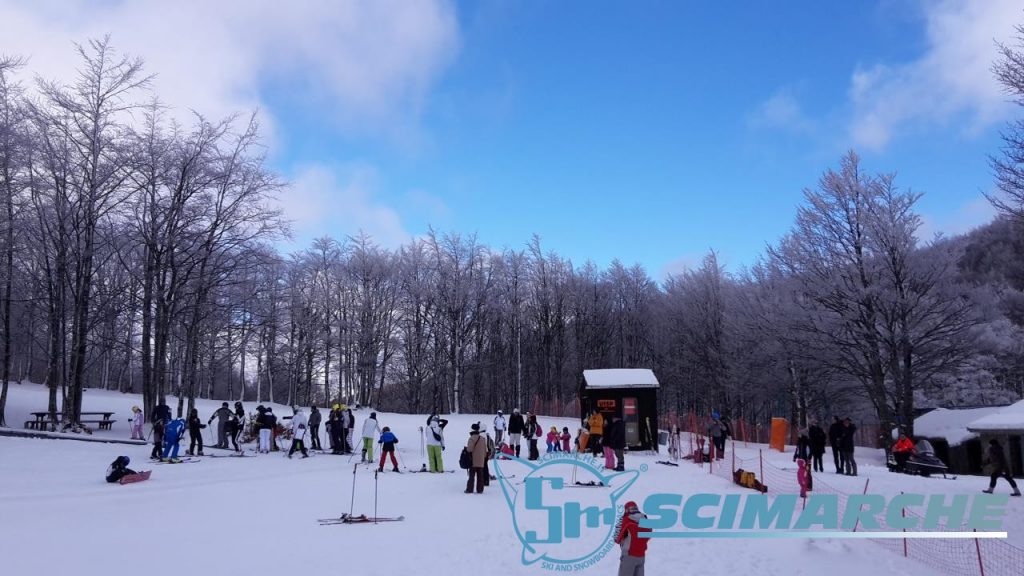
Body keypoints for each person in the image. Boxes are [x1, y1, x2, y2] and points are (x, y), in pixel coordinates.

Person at [614, 501, 650, 576]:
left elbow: (616, 539)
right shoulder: (645, 519)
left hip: (629, 556)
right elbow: (648, 535)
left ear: (627, 510)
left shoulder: (626, 520)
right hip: (641, 556)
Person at [465, 423, 488, 494]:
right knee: (480, 476)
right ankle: (480, 489)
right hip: (481, 460)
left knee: (471, 475)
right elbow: (485, 450)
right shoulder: (482, 438)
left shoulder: (471, 438)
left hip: (473, 460)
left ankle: (469, 489)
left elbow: (469, 449)